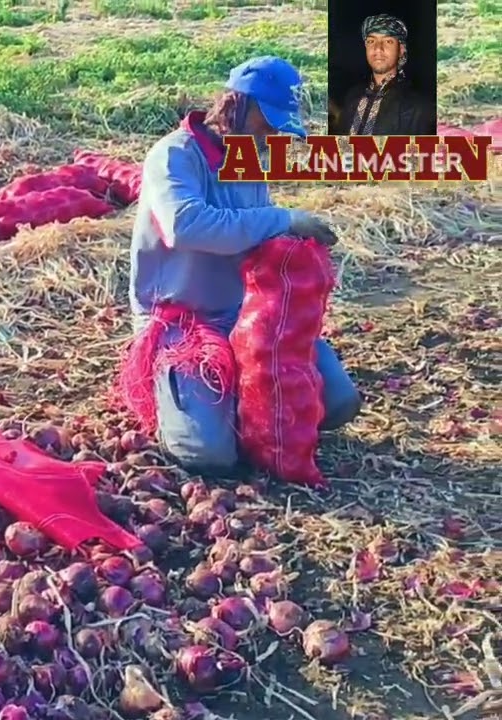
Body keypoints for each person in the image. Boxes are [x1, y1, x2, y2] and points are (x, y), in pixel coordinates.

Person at [121, 55, 362, 473]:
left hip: (240, 313)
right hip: (181, 319)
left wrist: (294, 247)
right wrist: (281, 218)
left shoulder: (249, 158)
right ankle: (183, 400)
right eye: (266, 122)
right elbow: (187, 225)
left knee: (338, 402)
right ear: (235, 106)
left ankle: (233, 399)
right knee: (208, 455)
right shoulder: (175, 156)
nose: (271, 135)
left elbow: (251, 234)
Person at [335, 14, 435, 137]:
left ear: (401, 49)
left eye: (388, 41)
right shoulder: (353, 97)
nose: (378, 48)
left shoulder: (419, 108)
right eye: (371, 41)